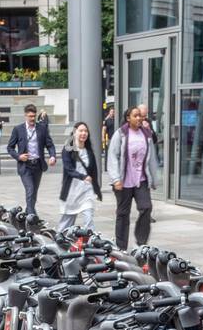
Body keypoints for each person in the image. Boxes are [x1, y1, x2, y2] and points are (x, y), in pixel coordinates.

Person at [106, 106, 158, 251]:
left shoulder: (146, 134)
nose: (139, 118)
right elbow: (112, 156)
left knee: (146, 208)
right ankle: (121, 247)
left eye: (140, 116)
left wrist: (153, 179)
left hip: (141, 180)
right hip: (124, 182)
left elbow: (151, 158)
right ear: (128, 118)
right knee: (123, 214)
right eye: (135, 116)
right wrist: (116, 178)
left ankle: (140, 243)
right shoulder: (121, 133)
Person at [6, 103, 57, 216]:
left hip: (38, 165)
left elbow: (50, 145)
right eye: (30, 116)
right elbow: (10, 147)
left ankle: (28, 212)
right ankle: (31, 216)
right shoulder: (18, 129)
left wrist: (52, 156)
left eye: (34, 116)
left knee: (34, 192)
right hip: (25, 166)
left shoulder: (42, 128)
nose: (32, 118)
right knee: (30, 189)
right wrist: (19, 156)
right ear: (25, 116)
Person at [57, 122, 101, 232]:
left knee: (89, 221)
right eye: (81, 131)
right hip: (71, 192)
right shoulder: (68, 149)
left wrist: (97, 190)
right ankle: (59, 243)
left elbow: (93, 172)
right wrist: (82, 176)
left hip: (86, 191)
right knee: (66, 225)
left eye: (85, 131)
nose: (83, 133)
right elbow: (69, 169)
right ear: (74, 132)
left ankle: (91, 243)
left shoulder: (89, 151)